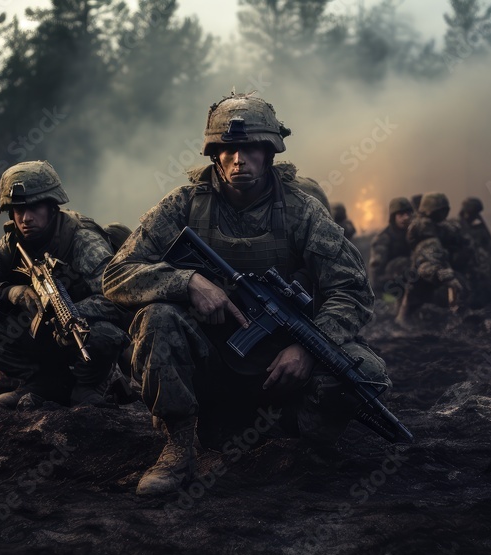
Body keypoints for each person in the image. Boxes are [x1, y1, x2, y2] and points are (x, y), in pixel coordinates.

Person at [102, 92, 390, 496]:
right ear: (214, 155)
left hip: (282, 363)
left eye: (251, 148)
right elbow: (116, 275)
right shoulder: (183, 206)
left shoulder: (302, 211)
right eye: (229, 149)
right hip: (213, 357)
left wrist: (309, 348)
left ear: (269, 152)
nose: (240, 159)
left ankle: (290, 435)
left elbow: (352, 290)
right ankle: (179, 446)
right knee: (157, 320)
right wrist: (185, 283)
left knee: (364, 374)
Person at [0, 161, 131, 409]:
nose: (26, 218)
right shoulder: (9, 246)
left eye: (35, 207)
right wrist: (10, 293)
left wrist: (74, 313)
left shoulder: (82, 240)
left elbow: (120, 300)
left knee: (106, 334)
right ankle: (44, 383)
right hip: (37, 337)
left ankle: (90, 385)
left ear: (52, 207)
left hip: (81, 337)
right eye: (18, 209)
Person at [396, 193, 465, 324]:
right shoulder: (425, 233)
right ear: (432, 211)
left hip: (427, 285)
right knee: (409, 320)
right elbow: (426, 265)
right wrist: (447, 277)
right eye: (441, 211)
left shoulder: (437, 226)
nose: (444, 214)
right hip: (422, 286)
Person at [368, 197, 413, 296]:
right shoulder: (383, 239)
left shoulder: (413, 234)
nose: (406, 217)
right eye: (401, 214)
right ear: (393, 217)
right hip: (388, 292)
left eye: (408, 213)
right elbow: (375, 276)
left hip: (410, 286)